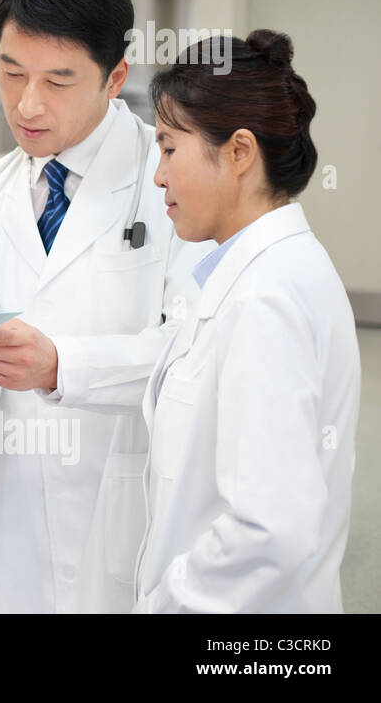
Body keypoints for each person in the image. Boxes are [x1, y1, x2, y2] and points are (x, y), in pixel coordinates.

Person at [0, 0, 211, 613]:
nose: (27, 105)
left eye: (58, 81)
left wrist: (63, 366)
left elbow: (199, 356)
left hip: (130, 514)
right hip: (10, 526)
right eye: (11, 73)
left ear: (115, 77)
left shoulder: (173, 185)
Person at [135, 30, 359, 612]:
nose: (158, 177)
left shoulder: (266, 297)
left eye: (168, 149)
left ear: (238, 152)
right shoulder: (261, 272)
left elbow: (270, 531)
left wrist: (166, 604)